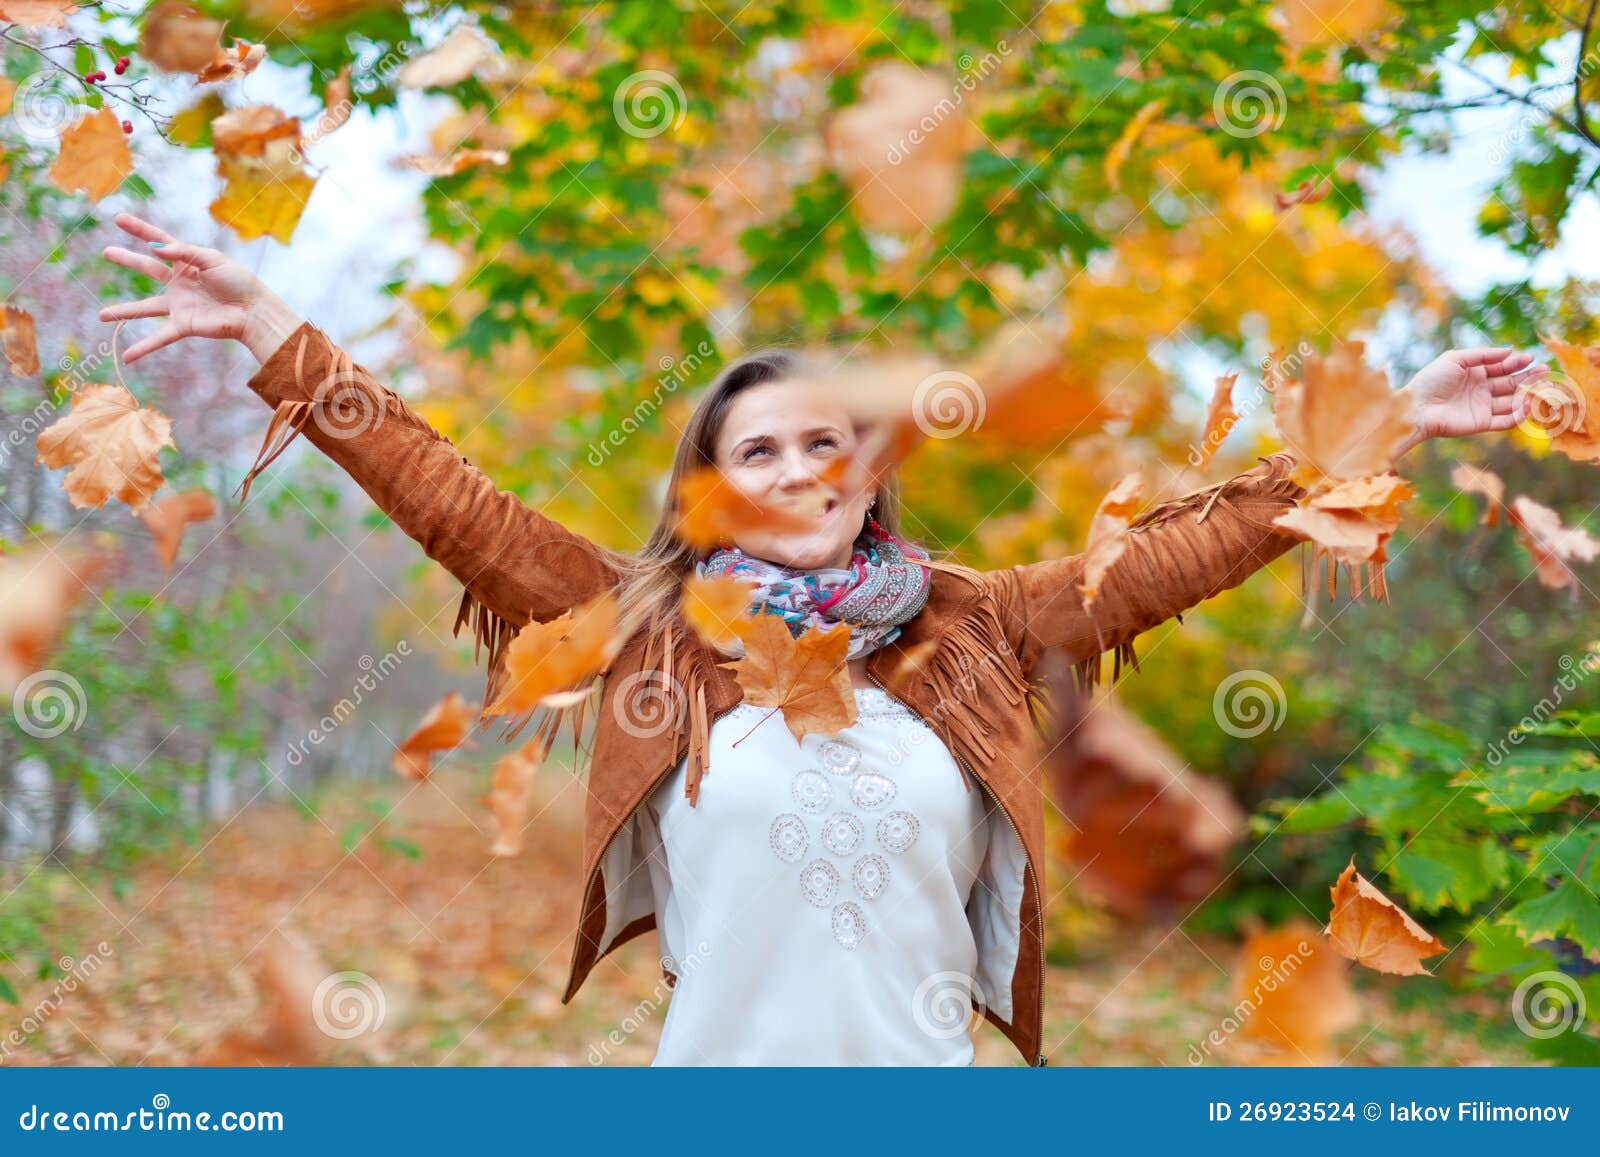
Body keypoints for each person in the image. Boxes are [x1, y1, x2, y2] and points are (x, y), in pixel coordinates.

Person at [100, 212, 1545, 1066]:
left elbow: (1172, 552)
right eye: (759, 450)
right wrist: (275, 329)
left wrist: (1390, 423)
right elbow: (453, 498)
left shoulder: (975, 618)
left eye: (825, 439)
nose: (800, 467)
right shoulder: (653, 623)